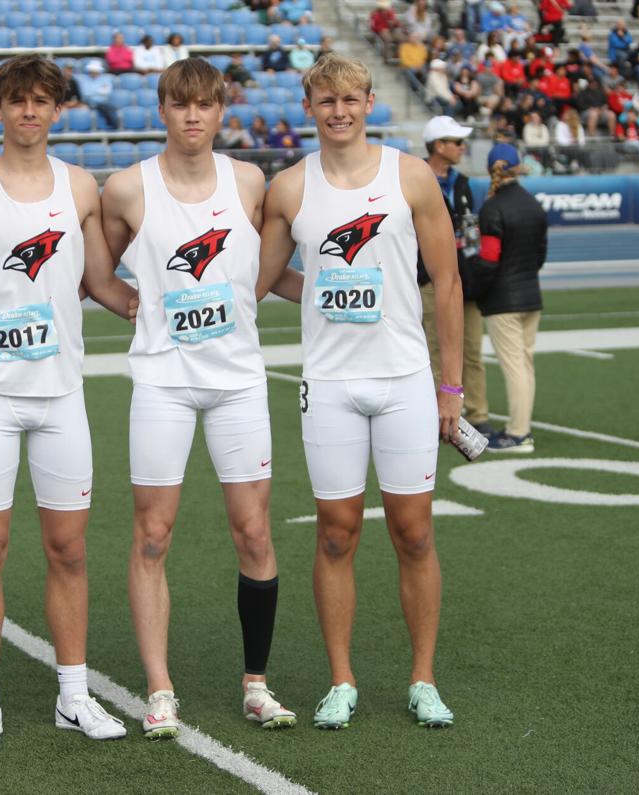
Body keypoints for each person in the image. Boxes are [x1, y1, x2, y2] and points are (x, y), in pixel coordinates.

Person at [0, 53, 136, 751]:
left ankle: (74, 696)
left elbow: (101, 281)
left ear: (58, 110)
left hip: (61, 396)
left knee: (68, 549)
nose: (29, 111)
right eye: (17, 100)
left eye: (42, 100)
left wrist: (154, 308)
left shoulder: (80, 187)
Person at [257, 53, 462, 730]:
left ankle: (423, 678)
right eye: (326, 101)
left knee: (414, 533)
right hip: (331, 384)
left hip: (404, 380)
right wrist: (317, 289)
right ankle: (340, 679)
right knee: (336, 535)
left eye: (349, 99)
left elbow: (447, 283)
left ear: (369, 102)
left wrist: (451, 386)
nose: (338, 111)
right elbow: (260, 278)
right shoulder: (290, 187)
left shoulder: (411, 176)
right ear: (309, 108)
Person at [101, 56, 296, 740]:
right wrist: (132, 303)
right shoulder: (127, 188)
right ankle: (160, 689)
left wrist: (306, 298)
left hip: (238, 379)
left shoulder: (249, 181)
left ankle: (256, 685)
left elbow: (268, 265)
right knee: (153, 534)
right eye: (180, 105)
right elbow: (96, 270)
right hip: (164, 380)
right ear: (162, 111)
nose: (192, 116)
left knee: (254, 531)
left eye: (204, 105)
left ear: (220, 111)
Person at [419, 116, 491, 435]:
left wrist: (474, 274)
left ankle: (477, 414)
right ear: (439, 146)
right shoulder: (415, 180)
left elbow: (471, 233)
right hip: (431, 281)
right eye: (457, 142)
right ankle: (437, 416)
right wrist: (423, 275)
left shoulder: (462, 183)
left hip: (464, 281)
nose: (463, 148)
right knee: (435, 349)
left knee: (472, 349)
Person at [474, 143, 547, 452]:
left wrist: (474, 286)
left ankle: (518, 433)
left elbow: (489, 259)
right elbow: (540, 255)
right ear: (519, 167)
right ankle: (521, 428)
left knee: (515, 367)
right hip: (531, 296)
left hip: (503, 301)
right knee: (525, 365)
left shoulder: (492, 208)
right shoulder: (533, 204)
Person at [77, 60, 120, 130]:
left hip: (102, 102)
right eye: (92, 70)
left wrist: (94, 92)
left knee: (110, 107)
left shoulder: (106, 79)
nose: (93, 72)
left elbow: (107, 92)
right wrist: (99, 91)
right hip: (89, 102)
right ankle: (114, 125)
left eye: (95, 70)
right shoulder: (84, 80)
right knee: (106, 108)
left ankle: (114, 125)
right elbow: (85, 93)